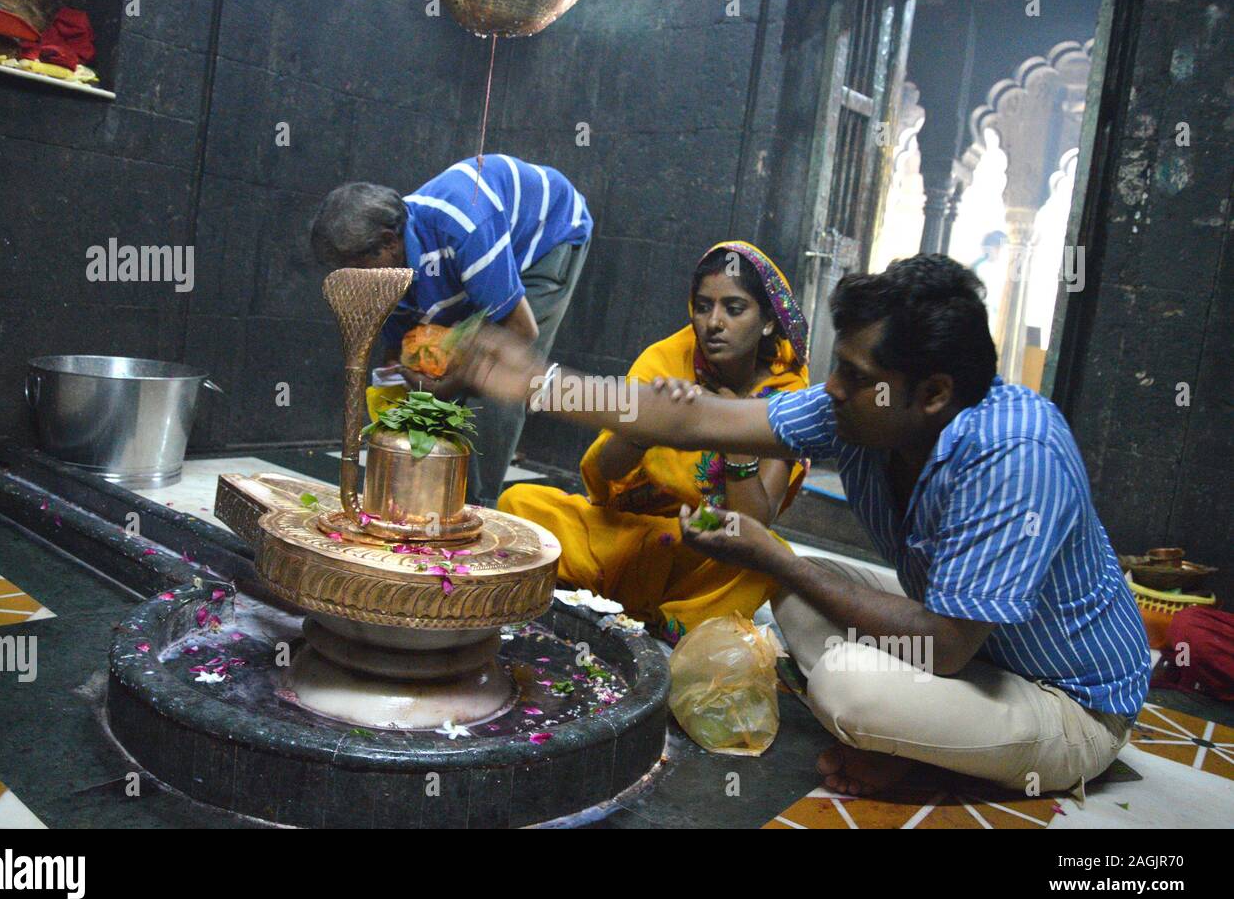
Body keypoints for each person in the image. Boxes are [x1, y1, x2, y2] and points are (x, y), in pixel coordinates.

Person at [453, 253, 1150, 797]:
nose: (833, 389)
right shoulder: (865, 407)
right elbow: (690, 417)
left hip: (1066, 701)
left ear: (933, 393)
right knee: (788, 593)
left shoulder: (1013, 457)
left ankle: (923, 751)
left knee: (847, 682)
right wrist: (542, 383)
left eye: (852, 374)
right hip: (975, 656)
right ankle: (925, 740)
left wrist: (779, 559)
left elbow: (943, 648)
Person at [500, 242, 810, 643]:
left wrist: (736, 433)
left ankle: (647, 614)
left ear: (768, 320)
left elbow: (753, 522)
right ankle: (625, 605)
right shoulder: (666, 363)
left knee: (765, 559)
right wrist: (648, 427)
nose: (714, 322)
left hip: (701, 545)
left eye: (734, 309)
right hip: (633, 532)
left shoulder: (784, 395)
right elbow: (601, 475)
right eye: (703, 307)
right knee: (521, 504)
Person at [309, 155, 593, 505]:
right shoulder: (391, 265)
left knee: (497, 378)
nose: (357, 281)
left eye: (357, 268)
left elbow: (521, 330)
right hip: (479, 250)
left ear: (388, 242)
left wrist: (450, 383)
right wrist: (393, 397)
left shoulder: (462, 227)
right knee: (435, 365)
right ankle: (432, 490)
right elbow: (395, 353)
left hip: (546, 236)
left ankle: (477, 506)